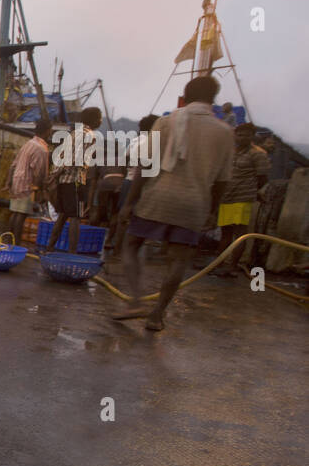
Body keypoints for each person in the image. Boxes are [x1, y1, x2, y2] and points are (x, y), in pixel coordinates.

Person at [114, 76, 233, 332]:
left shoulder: (167, 122)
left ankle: (135, 300)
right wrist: (213, 211)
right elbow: (222, 181)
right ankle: (156, 316)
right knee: (178, 260)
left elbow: (146, 166)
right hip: (194, 204)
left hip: (158, 197)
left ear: (185, 96)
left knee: (131, 244)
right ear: (213, 99)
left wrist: (129, 203)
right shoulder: (225, 132)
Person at [213, 122, 269, 276]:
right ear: (235, 135)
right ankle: (218, 263)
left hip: (243, 197)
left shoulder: (258, 154)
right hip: (227, 197)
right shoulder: (231, 152)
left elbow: (262, 178)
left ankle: (232, 266)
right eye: (240, 134)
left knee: (240, 234)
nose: (242, 137)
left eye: (247, 135)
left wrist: (256, 192)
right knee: (225, 232)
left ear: (252, 136)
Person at [44, 107, 100, 254]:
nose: (100, 121)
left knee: (63, 215)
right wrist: (55, 175)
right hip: (76, 181)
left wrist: (55, 175)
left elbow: (62, 156)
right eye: (99, 118)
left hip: (65, 180)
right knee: (76, 217)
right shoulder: (90, 135)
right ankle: (72, 253)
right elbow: (73, 159)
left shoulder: (74, 133)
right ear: (94, 120)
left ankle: (49, 247)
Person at [109, 114, 158, 254]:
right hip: (141, 184)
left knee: (122, 216)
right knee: (136, 217)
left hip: (128, 181)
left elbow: (125, 161)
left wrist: (125, 177)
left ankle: (116, 249)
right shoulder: (152, 142)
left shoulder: (135, 140)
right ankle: (128, 251)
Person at [8, 117, 51, 241]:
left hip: (17, 180)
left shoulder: (28, 143)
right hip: (27, 182)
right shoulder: (41, 148)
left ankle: (9, 241)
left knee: (15, 212)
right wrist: (40, 189)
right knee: (21, 215)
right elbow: (38, 173)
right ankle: (15, 244)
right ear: (48, 131)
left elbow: (14, 164)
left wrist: (9, 180)